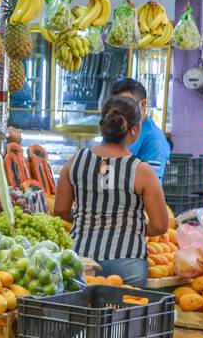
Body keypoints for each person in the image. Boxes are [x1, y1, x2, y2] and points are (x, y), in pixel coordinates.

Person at [52, 96, 170, 286]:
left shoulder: (76, 161)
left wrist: (90, 220)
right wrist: (130, 230)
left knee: (80, 312)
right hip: (127, 263)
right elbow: (160, 226)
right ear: (134, 130)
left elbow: (60, 210)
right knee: (124, 312)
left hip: (80, 259)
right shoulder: (142, 171)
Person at [112, 77, 171, 180]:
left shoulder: (154, 140)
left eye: (127, 104)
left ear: (143, 104)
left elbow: (149, 185)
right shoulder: (122, 129)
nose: (120, 109)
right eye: (117, 104)